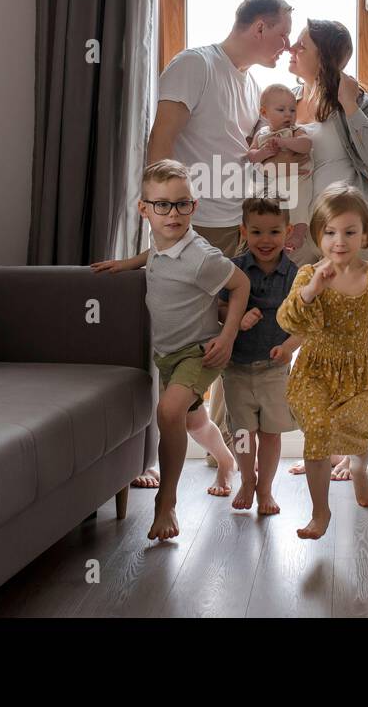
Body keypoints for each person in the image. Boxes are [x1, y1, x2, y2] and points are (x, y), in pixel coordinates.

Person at [136, 0, 295, 489]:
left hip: (237, 225)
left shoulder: (250, 86)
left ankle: (226, 460)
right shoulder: (195, 65)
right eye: (283, 34)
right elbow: (160, 143)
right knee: (176, 340)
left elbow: (239, 152)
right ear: (261, 27)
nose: (286, 47)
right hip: (194, 225)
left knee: (230, 341)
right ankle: (150, 455)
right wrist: (163, 220)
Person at [101, 160, 252, 541]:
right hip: (167, 355)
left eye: (182, 204)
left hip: (199, 351)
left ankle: (166, 504)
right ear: (144, 209)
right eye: (163, 205)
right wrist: (126, 264)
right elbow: (155, 255)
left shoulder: (201, 257)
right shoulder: (161, 240)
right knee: (191, 421)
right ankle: (225, 459)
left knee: (168, 411)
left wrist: (229, 335)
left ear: (194, 206)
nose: (173, 213)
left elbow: (241, 284)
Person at [276, 185, 368, 540]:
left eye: (349, 232)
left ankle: (359, 472)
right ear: (317, 235)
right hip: (314, 369)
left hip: (359, 371)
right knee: (319, 428)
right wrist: (313, 291)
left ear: (366, 235)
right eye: (329, 232)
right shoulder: (309, 275)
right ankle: (320, 511)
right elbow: (288, 321)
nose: (339, 241)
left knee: (357, 438)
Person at [284, 18, 368, 477]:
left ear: (324, 55)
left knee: (352, 341)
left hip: (348, 233)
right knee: (306, 339)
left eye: (302, 44)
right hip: (305, 233)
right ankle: (322, 442)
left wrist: (350, 106)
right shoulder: (293, 100)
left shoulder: (356, 98)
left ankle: (357, 452)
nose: (292, 47)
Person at [215, 197, 302, 516]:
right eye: (257, 232)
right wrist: (237, 318)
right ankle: (246, 479)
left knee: (270, 433)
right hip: (237, 367)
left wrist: (289, 347)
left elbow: (304, 322)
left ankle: (264, 488)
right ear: (244, 231)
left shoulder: (294, 275)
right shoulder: (234, 268)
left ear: (288, 232)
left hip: (274, 369)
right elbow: (219, 308)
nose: (265, 240)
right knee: (242, 432)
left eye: (274, 232)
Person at [246, 84, 313, 251]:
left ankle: (298, 232)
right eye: (281, 110)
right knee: (269, 207)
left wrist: (284, 142)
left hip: (297, 179)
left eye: (292, 110)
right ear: (264, 113)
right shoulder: (261, 134)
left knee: (300, 203)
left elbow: (306, 145)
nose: (288, 115)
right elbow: (251, 156)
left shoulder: (295, 131)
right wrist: (263, 152)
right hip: (272, 182)